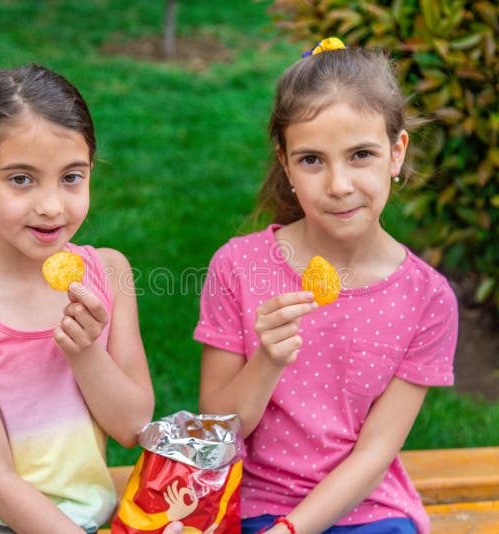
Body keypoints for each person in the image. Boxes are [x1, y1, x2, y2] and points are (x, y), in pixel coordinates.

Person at [194, 38, 458, 534]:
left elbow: (378, 449)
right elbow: (219, 429)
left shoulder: (428, 298)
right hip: (249, 502)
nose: (338, 184)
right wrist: (267, 360)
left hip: (365, 507)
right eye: (312, 160)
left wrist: (295, 530)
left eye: (361, 154)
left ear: (397, 153)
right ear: (286, 162)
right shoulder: (239, 266)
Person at [0, 64, 155, 533]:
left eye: (71, 178)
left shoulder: (109, 273)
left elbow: (133, 426)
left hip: (79, 515)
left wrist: (86, 353)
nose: (51, 206)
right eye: (21, 179)